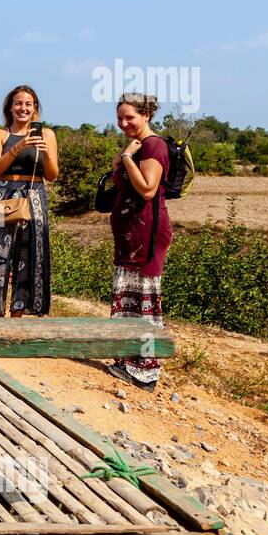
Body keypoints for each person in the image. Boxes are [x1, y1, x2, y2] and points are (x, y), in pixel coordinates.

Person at [0, 84, 60, 317]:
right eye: (18, 103)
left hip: (34, 195)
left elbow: (52, 175)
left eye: (28, 104)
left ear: (35, 108)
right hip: (3, 195)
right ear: (10, 107)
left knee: (31, 252)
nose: (23, 108)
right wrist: (19, 146)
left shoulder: (47, 134)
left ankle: (21, 311)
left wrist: (46, 152)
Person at [106, 92, 173, 391]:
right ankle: (127, 361)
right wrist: (126, 156)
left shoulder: (154, 146)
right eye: (120, 118)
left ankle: (146, 370)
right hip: (132, 233)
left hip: (146, 234)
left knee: (144, 300)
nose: (123, 123)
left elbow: (147, 189)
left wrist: (125, 158)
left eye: (130, 117)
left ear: (146, 115)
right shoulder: (139, 146)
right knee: (129, 298)